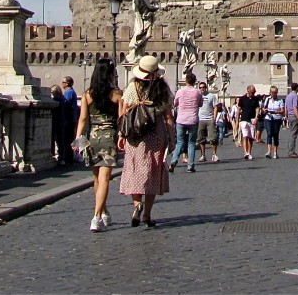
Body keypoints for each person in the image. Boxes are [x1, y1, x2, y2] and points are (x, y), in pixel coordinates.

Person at [119, 54, 173, 228]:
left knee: (135, 170)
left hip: (135, 135)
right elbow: (169, 116)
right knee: (152, 172)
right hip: (156, 134)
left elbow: (125, 112)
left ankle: (137, 205)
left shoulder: (132, 87)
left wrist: (121, 135)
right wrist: (172, 139)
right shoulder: (162, 88)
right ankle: (147, 215)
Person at [74, 58, 122, 232]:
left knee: (96, 179)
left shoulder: (87, 94)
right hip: (109, 138)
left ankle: (103, 211)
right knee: (104, 179)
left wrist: (78, 140)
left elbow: (83, 119)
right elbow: (122, 118)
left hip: (92, 138)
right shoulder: (116, 94)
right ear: (110, 74)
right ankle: (95, 217)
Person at [168, 71, 203, 172]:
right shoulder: (198, 92)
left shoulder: (180, 91)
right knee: (191, 143)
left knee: (180, 142)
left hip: (181, 119)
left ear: (186, 81)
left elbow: (175, 103)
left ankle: (174, 160)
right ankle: (190, 165)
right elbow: (200, 104)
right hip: (193, 120)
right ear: (195, 81)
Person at [195, 81, 220, 163]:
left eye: (203, 87)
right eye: (200, 87)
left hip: (209, 119)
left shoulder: (211, 96)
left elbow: (215, 107)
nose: (202, 89)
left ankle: (214, 154)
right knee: (201, 138)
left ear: (206, 88)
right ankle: (203, 155)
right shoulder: (197, 96)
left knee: (213, 137)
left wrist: (214, 118)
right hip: (200, 119)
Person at [237, 85, 260, 160]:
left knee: (251, 138)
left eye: (254, 92)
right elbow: (238, 110)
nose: (254, 93)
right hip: (243, 120)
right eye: (253, 92)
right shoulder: (242, 99)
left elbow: (257, 108)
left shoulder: (255, 99)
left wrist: (256, 117)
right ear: (248, 91)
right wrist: (237, 121)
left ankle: (249, 152)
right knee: (245, 136)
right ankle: (245, 152)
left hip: (252, 120)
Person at [60, 77, 79, 166]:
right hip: (72, 119)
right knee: (69, 139)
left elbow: (65, 104)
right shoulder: (72, 92)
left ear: (67, 83)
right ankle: (70, 158)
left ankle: (68, 159)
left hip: (68, 119)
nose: (62, 83)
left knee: (67, 140)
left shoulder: (68, 93)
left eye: (63, 82)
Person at [263, 86, 286, 159]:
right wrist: (265, 110)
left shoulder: (280, 100)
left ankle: (275, 152)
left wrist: (277, 112)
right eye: (272, 92)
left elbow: (283, 111)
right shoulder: (267, 99)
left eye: (274, 93)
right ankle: (269, 151)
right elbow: (263, 107)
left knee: (276, 134)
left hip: (277, 118)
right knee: (269, 133)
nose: (273, 94)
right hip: (268, 118)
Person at [284, 82, 298, 158]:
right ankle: (291, 152)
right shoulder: (295, 96)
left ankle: (290, 150)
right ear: (297, 88)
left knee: (291, 133)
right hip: (294, 116)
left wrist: (286, 117)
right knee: (293, 134)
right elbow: (295, 107)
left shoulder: (288, 96)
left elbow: (286, 108)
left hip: (289, 116)